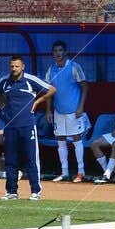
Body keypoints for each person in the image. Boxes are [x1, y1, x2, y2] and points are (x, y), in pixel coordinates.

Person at [0, 54, 53, 200]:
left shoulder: (31, 80)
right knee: (10, 160)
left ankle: (36, 192)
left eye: (17, 66)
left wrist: (37, 102)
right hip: (10, 126)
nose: (14, 69)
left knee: (31, 159)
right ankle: (11, 192)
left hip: (28, 126)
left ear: (23, 67)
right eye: (12, 66)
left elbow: (51, 90)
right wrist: (3, 106)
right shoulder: (4, 81)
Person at [44, 40, 90, 182]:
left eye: (60, 50)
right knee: (60, 140)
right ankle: (64, 172)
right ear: (52, 54)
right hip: (59, 111)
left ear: (65, 52)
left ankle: (81, 172)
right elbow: (48, 91)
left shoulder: (74, 67)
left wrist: (80, 107)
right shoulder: (51, 69)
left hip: (73, 110)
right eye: (55, 51)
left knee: (77, 139)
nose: (58, 53)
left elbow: (84, 86)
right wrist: (48, 110)